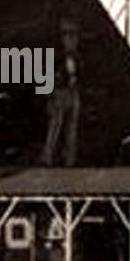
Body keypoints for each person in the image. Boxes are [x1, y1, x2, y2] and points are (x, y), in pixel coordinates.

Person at [42, 17, 81, 166]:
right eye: (68, 35)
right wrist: (48, 93)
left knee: (71, 128)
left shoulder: (76, 56)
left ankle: (69, 159)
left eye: (74, 35)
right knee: (55, 126)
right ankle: (48, 156)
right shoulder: (55, 55)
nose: (72, 39)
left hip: (73, 91)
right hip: (60, 91)